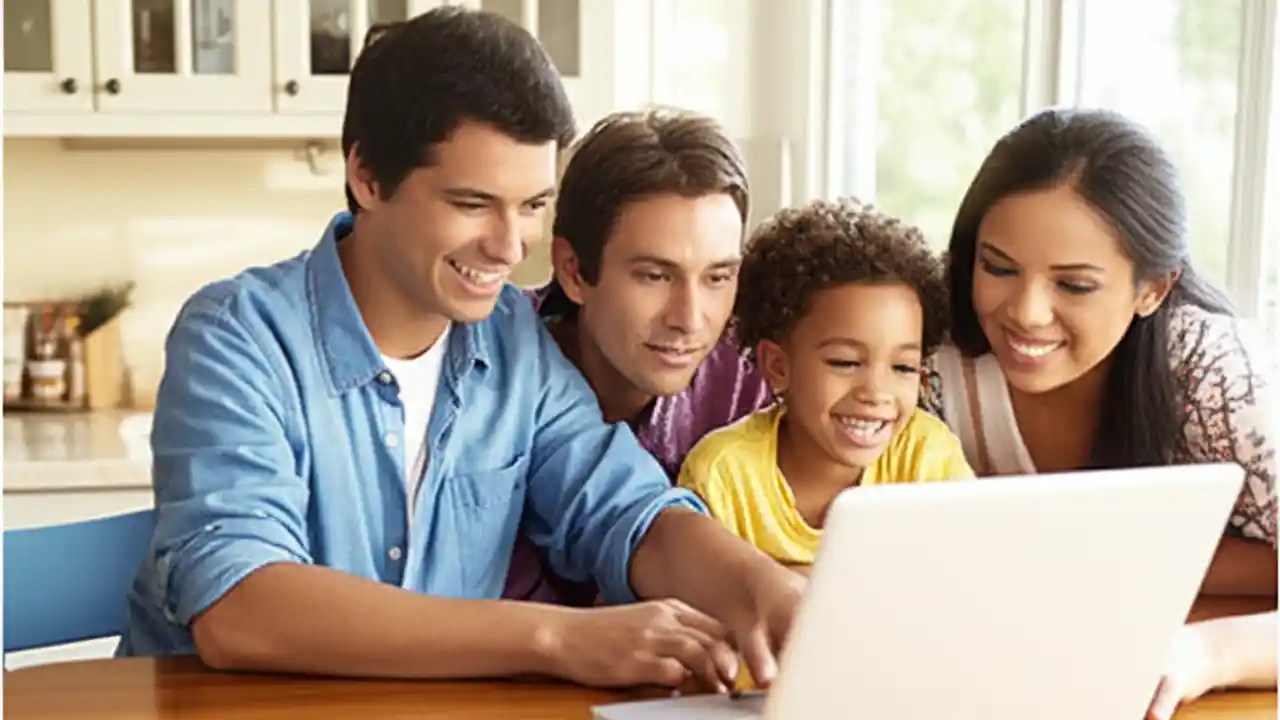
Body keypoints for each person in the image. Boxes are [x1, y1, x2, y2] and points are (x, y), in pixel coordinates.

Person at [117, 7, 803, 694]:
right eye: (473, 204)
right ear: (368, 177)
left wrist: (763, 589)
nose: (509, 246)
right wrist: (557, 638)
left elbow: (626, 510)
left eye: (532, 206)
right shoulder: (238, 337)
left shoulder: (513, 344)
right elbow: (241, 610)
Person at [925, 107, 1276, 719]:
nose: (1026, 312)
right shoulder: (924, 350)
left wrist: (1207, 654)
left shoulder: (1216, 371)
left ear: (1153, 290)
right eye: (998, 267)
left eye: (1075, 285)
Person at [504, 108, 774, 606]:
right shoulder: (491, 366)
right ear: (573, 271)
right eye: (654, 276)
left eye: (717, 277)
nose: (689, 318)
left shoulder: (755, 377)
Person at [679, 197, 974, 574]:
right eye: (845, 363)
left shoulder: (926, 455)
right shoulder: (722, 474)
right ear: (778, 366)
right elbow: (701, 593)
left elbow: (966, 572)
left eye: (903, 367)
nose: (876, 393)